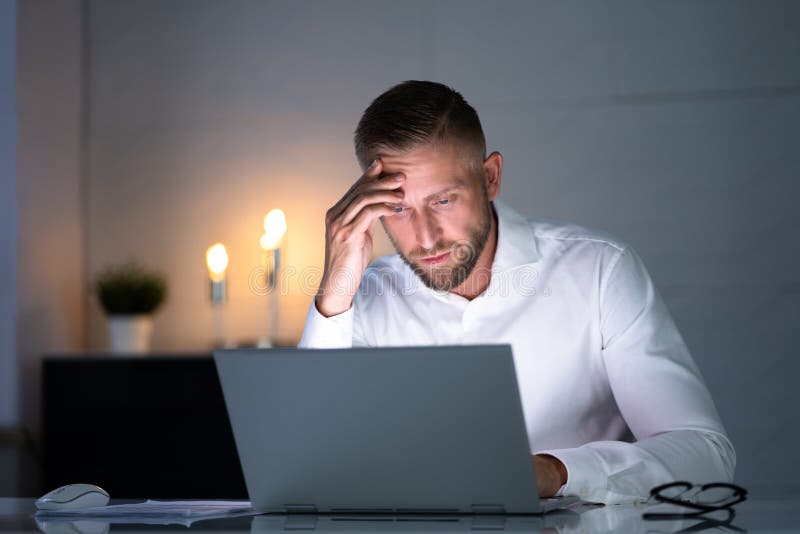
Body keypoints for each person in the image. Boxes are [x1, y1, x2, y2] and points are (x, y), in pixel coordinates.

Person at [298, 80, 735, 505]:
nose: (426, 238)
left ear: (489, 177)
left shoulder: (601, 270)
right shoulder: (367, 295)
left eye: (443, 201)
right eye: (397, 208)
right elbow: (307, 467)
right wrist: (334, 291)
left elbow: (706, 456)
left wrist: (555, 472)